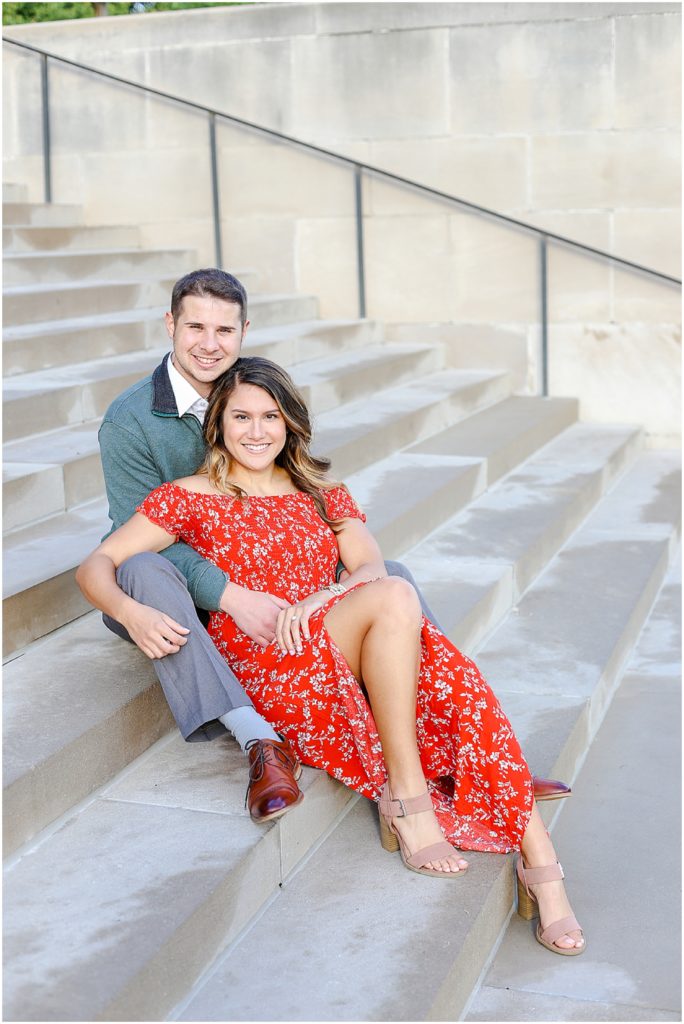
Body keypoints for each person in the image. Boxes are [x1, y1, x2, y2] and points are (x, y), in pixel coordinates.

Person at [79, 356, 584, 956]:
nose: (257, 431)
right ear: (218, 426)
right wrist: (132, 612)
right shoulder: (187, 496)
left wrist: (321, 595)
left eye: (271, 416)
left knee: (425, 641)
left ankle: (535, 861)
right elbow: (97, 565)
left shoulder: (320, 492)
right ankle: (432, 804)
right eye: (240, 416)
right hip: (268, 665)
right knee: (404, 610)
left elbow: (369, 564)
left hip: (326, 637)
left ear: (291, 425)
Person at [97, 267, 569, 822]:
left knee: (390, 577)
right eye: (195, 327)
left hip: (267, 588)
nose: (209, 344)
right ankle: (259, 742)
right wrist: (226, 593)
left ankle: (468, 742)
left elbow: (302, 509)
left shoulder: (246, 393)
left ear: (243, 332)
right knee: (146, 571)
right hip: (175, 591)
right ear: (169, 324)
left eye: (224, 331)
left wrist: (320, 593)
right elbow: (125, 540)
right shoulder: (130, 420)